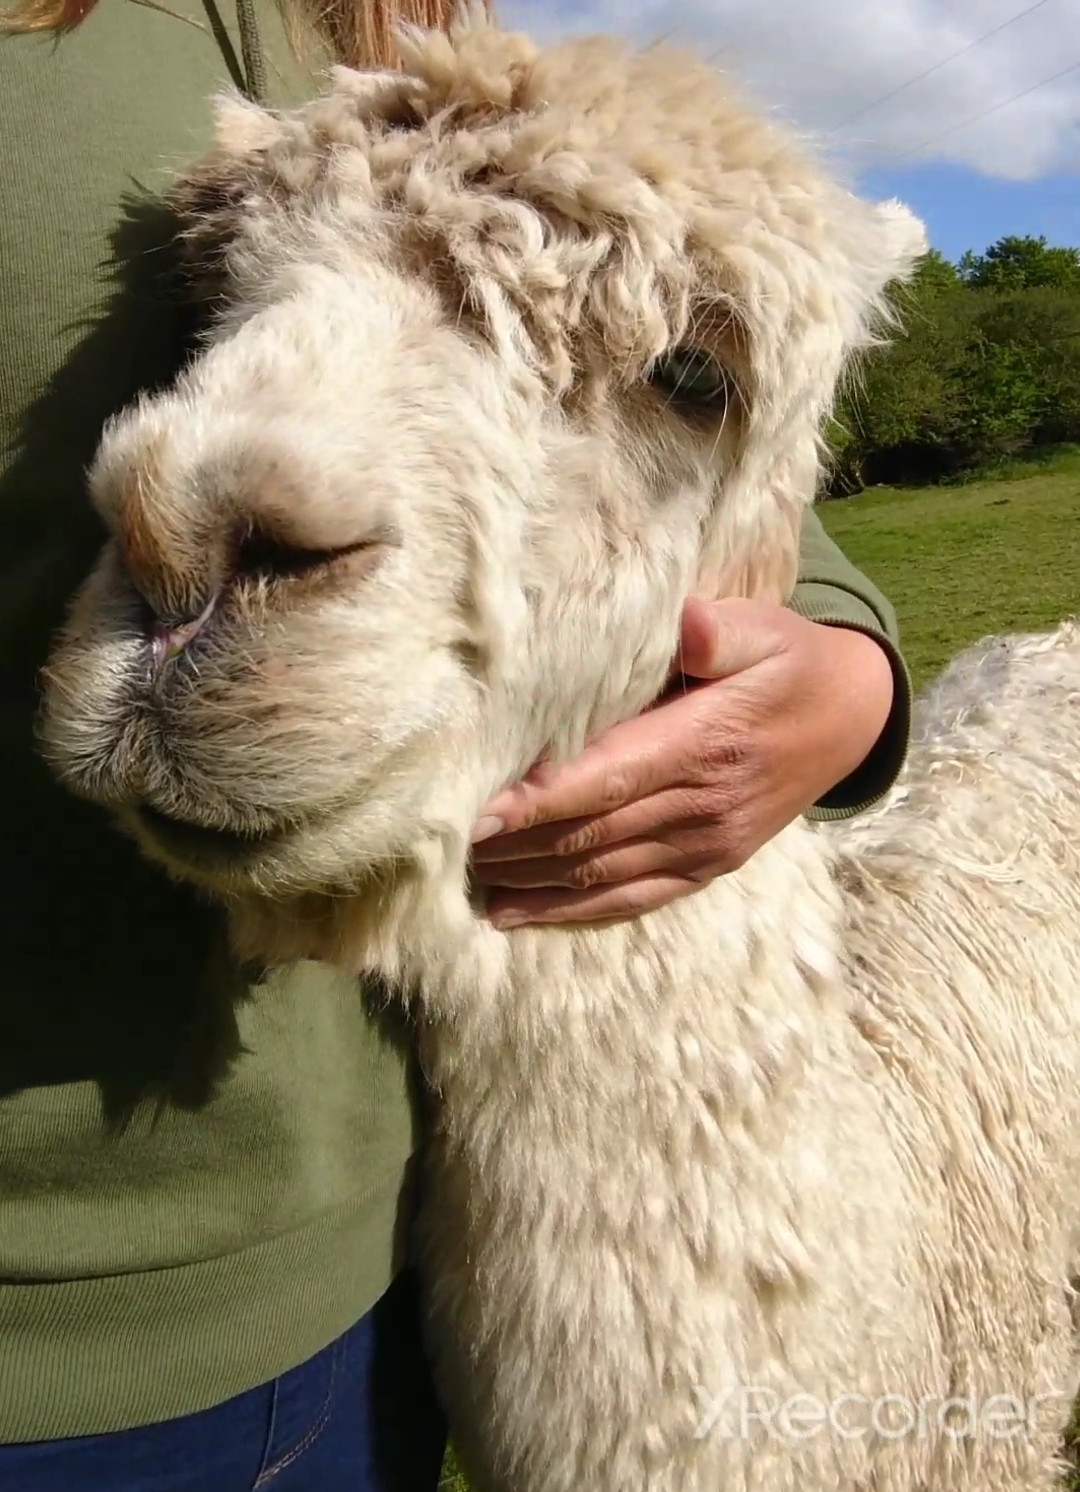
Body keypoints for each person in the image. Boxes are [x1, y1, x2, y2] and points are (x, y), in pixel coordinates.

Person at [0, 0, 910, 1486]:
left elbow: (728, 460)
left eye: (692, 374)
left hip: (314, 1273)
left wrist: (847, 655)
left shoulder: (383, 15)